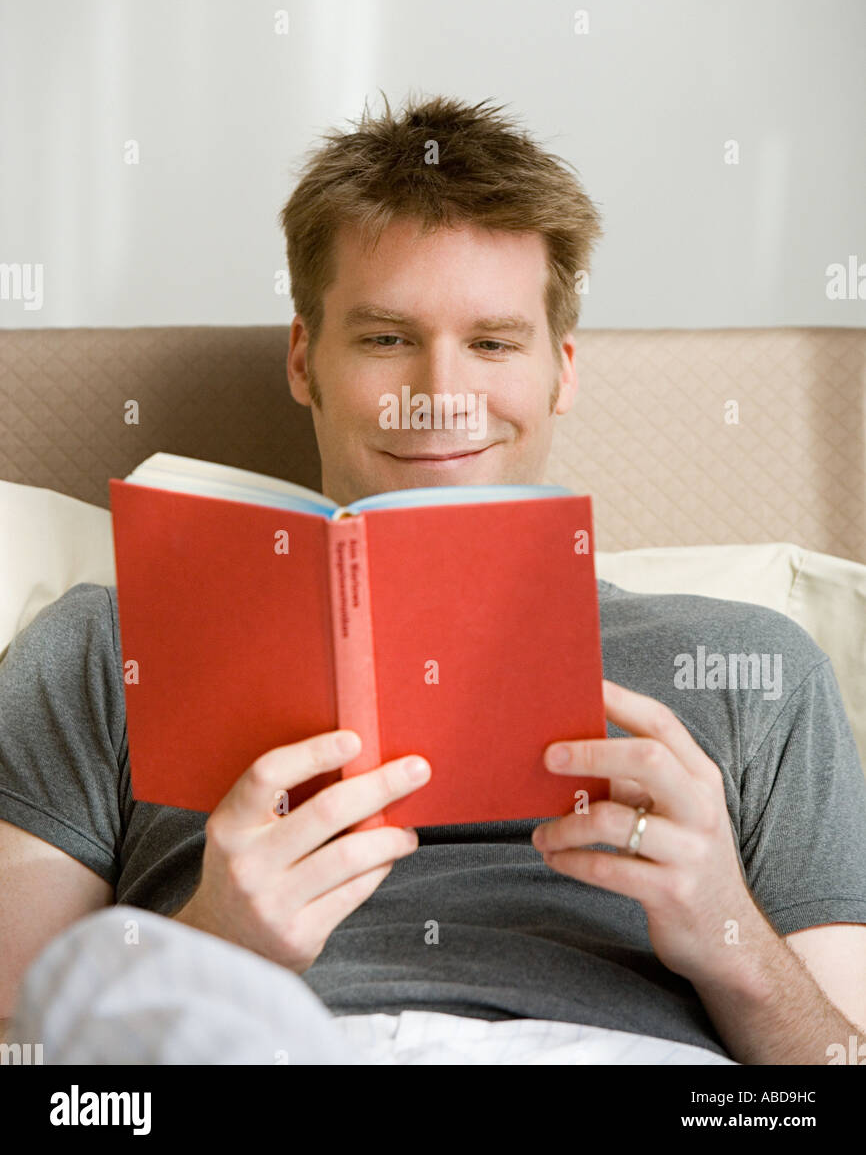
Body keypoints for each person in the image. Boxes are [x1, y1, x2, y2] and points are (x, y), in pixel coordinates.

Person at [2, 94, 865, 1067]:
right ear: (303, 357)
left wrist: (728, 935)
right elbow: (24, 1054)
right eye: (384, 338)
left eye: (492, 343)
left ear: (559, 371)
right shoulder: (104, 642)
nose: (437, 391)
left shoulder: (753, 665)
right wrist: (208, 942)